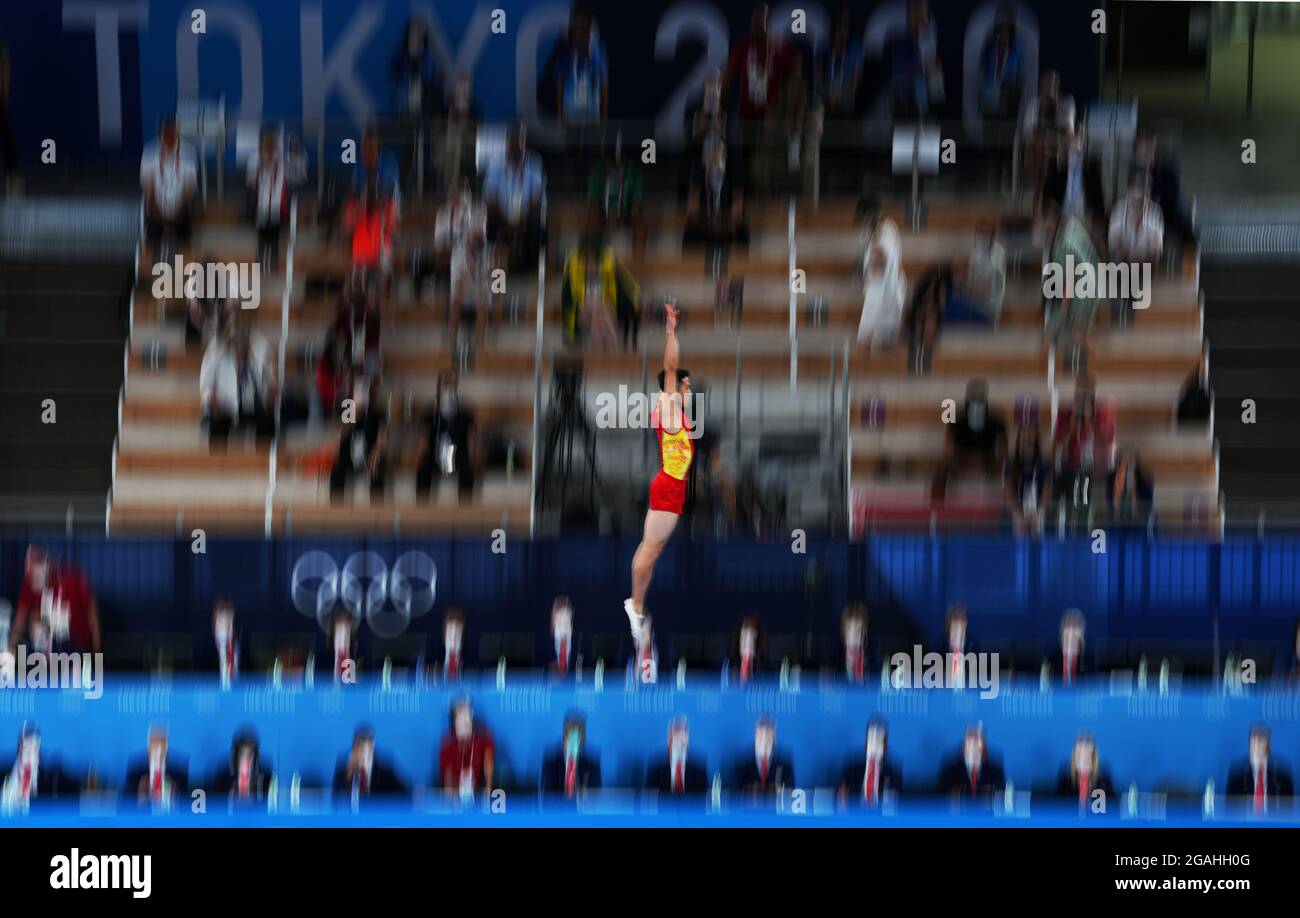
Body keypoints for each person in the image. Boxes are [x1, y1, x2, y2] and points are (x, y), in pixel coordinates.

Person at [624, 303, 693, 638]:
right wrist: (671, 329)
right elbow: (671, 364)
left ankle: (637, 605)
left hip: (671, 488)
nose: (690, 390)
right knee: (649, 551)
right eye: (687, 385)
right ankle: (634, 606)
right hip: (667, 487)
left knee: (652, 552)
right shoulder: (667, 405)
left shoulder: (677, 414)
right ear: (675, 387)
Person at [199, 316, 278, 451]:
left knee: (268, 421)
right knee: (216, 422)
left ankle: (264, 460)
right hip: (225, 406)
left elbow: (271, 383)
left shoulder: (260, 351)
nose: (239, 340)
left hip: (253, 405)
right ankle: (217, 463)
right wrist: (211, 399)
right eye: (235, 337)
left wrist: (271, 391)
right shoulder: (215, 354)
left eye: (243, 336)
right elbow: (205, 385)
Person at [12, 545, 101, 655]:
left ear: (46, 564)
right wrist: (11, 647)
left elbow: (91, 612)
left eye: (34, 571)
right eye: (28, 572)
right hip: (47, 649)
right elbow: (20, 619)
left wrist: (96, 647)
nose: (31, 577)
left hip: (76, 642)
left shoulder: (73, 577)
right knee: (35, 617)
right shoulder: (30, 583)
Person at [560, 229, 639, 350]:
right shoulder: (573, 265)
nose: (588, 263)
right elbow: (567, 299)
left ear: (598, 258)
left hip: (606, 309)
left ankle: (607, 345)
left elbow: (626, 290)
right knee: (594, 314)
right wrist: (575, 317)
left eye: (591, 259)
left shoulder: (609, 264)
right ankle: (598, 346)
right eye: (585, 259)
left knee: (603, 314)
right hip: (583, 311)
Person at [931, 379, 1007, 504]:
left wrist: (998, 460)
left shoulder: (996, 416)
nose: (976, 398)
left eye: (980, 395)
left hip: (987, 457)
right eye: (973, 394)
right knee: (940, 468)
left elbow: (1004, 445)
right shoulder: (956, 415)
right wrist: (957, 460)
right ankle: (936, 507)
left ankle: (1008, 505)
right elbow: (948, 443)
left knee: (1008, 469)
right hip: (962, 457)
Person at [433, 175, 489, 342]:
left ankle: (481, 337)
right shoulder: (444, 213)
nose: (461, 194)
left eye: (464, 190)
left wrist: (473, 240)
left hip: (479, 259)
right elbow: (439, 244)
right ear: (452, 194)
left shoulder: (478, 209)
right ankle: (452, 334)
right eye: (458, 191)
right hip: (458, 257)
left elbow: (482, 238)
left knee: (485, 296)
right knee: (456, 294)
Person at [483, 123, 546, 270]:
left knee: (537, 229)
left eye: (519, 143)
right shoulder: (495, 164)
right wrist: (506, 226)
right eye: (512, 144)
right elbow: (490, 202)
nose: (515, 148)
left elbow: (536, 203)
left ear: (524, 144)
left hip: (526, 219)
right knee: (489, 229)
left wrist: (520, 225)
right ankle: (497, 276)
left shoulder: (534, 162)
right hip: (500, 219)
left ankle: (528, 270)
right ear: (506, 144)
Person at [245, 124, 306, 270]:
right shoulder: (254, 158)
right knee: (262, 240)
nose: (269, 145)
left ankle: (273, 267)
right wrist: (262, 166)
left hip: (279, 205)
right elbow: (250, 182)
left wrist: (296, 155)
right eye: (266, 141)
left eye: (272, 142)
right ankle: (259, 267)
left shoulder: (284, 159)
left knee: (275, 241)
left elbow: (300, 178)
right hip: (262, 205)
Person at [415, 370, 479, 506]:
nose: (448, 388)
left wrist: (473, 459)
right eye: (445, 384)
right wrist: (420, 458)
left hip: (458, 456)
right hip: (436, 456)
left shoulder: (467, 415)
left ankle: (465, 511)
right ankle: (421, 511)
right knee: (423, 471)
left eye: (452, 384)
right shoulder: (429, 415)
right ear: (438, 388)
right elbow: (423, 442)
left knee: (467, 471)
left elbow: (471, 441)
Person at [140, 116, 197, 261]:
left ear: (178, 133)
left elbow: (189, 191)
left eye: (173, 134)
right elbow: (148, 190)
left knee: (185, 240)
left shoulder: (189, 151)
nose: (169, 139)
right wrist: (160, 217)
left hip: (181, 211)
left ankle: (186, 274)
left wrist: (176, 217)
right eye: (166, 134)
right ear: (160, 134)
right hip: (156, 210)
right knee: (152, 240)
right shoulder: (149, 151)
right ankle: (151, 273)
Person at [683, 137, 750, 254]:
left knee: (742, 232)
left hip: (727, 224)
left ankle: (739, 268)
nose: (714, 154)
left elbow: (737, 210)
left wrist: (721, 227)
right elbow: (692, 208)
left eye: (718, 150)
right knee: (690, 232)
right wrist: (709, 225)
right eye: (710, 150)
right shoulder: (698, 172)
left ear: (724, 155)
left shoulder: (734, 172)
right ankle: (690, 268)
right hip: (704, 223)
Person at [1131, 127, 1195, 247]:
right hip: (1148, 218)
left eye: (1146, 146)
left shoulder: (1167, 164)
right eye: (1140, 149)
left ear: (1152, 146)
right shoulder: (1137, 169)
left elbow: (1170, 197)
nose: (1143, 152)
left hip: (1169, 215)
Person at [330, 377, 388, 505]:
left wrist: (375, 454)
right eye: (358, 391)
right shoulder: (346, 411)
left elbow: (382, 440)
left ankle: (378, 511)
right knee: (336, 472)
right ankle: (335, 511)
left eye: (364, 392)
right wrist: (354, 416)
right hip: (349, 456)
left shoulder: (378, 414)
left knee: (378, 469)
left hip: (369, 455)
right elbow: (339, 437)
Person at [1042, 127, 1106, 235]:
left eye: (1077, 141)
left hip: (1084, 216)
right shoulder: (1056, 169)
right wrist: (1052, 216)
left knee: (1078, 240)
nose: (1074, 145)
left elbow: (1099, 202)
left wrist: (1097, 221)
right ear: (1065, 146)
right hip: (1062, 215)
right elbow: (1047, 197)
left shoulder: (1092, 170)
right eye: (1070, 141)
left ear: (1084, 145)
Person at [884, 0, 943, 119]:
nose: (923, 21)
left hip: (924, 107)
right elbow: (900, 71)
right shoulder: (897, 41)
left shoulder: (927, 43)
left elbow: (935, 81)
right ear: (910, 17)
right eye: (919, 16)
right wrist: (922, 65)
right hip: (904, 104)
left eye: (925, 16)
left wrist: (934, 72)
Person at [587, 143, 646, 256]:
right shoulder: (598, 171)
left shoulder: (633, 171)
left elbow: (637, 206)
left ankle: (637, 266)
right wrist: (604, 218)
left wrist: (624, 217)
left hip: (627, 214)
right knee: (591, 222)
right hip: (603, 214)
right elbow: (593, 205)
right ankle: (596, 261)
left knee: (641, 226)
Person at [554, 11, 607, 128]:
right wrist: (559, 114)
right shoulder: (564, 55)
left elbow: (603, 85)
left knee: (593, 143)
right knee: (572, 142)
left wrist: (604, 117)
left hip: (592, 109)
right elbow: (560, 85)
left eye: (585, 30)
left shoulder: (598, 53)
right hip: (571, 109)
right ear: (572, 33)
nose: (582, 35)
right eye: (578, 30)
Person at [0, 724, 78, 803]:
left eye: (34, 747)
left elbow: (78, 789)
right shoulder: (3, 774)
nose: (29, 752)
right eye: (26, 747)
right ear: (19, 749)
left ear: (38, 751)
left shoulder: (54, 778)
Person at [1226, 725, 1294, 814]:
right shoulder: (1238, 773)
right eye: (1253, 740)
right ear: (1249, 744)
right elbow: (1230, 808)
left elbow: (1289, 810)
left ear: (1268, 744)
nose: (1256, 744)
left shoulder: (1282, 774)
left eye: (1261, 740)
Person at [858, 230, 909, 348]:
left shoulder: (897, 284)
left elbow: (899, 324)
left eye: (878, 255)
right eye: (873, 254)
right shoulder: (871, 286)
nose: (874, 259)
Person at [438, 698, 495, 799]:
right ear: (454, 721)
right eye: (461, 717)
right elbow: (448, 781)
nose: (465, 721)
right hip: (456, 796)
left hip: (479, 794)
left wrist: (487, 794)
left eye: (468, 716)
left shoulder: (484, 738)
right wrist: (452, 801)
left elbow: (488, 766)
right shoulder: (447, 745)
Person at [840, 718, 901, 808]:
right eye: (871, 740)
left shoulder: (893, 776)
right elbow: (841, 802)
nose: (874, 745)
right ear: (866, 743)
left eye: (878, 740)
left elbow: (893, 805)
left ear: (885, 746)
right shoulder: (851, 771)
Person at [1004, 423, 1052, 537]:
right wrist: (1017, 514)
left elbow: (1047, 493)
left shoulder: (1044, 465)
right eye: (1023, 441)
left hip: (1037, 510)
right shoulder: (1011, 465)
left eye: (1030, 442)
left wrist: (1038, 513)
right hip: (1017, 512)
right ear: (1018, 444)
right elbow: (1008, 493)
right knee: (1018, 529)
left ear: (1036, 444)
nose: (1026, 445)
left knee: (1037, 529)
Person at [333, 725, 408, 798]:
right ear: (354, 746)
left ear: (373, 746)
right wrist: (350, 775)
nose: (364, 749)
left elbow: (404, 792)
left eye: (368, 743)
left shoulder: (385, 768)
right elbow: (337, 796)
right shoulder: (343, 768)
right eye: (359, 744)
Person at [816, 8, 864, 119]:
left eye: (845, 27)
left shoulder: (855, 47)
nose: (842, 31)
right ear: (833, 28)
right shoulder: (823, 47)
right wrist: (828, 95)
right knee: (818, 105)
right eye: (839, 26)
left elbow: (856, 80)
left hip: (846, 95)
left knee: (848, 105)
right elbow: (818, 79)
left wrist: (842, 94)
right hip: (825, 95)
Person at [539, 711, 601, 799]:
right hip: (556, 809)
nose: (575, 736)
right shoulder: (552, 758)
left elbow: (596, 795)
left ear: (584, 736)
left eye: (580, 731)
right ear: (564, 732)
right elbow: (546, 793)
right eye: (572, 730)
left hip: (583, 808)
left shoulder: (591, 760)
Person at [732, 715, 793, 802]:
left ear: (774, 738)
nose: (764, 739)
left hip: (776, 812)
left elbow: (790, 791)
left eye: (768, 735)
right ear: (755, 737)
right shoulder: (742, 763)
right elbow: (735, 793)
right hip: (748, 813)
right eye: (761, 735)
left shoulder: (784, 763)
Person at [937, 723, 1004, 800]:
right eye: (970, 736)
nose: (973, 741)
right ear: (964, 741)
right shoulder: (950, 768)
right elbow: (940, 796)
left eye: (977, 737)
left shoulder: (995, 769)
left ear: (984, 742)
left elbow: (1000, 795)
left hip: (985, 811)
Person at [956, 222, 1006, 324]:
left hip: (990, 302)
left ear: (993, 235)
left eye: (986, 234)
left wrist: (970, 285)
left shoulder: (999, 252)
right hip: (975, 298)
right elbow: (970, 278)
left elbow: (989, 285)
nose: (982, 237)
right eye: (980, 233)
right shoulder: (974, 252)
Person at [124, 726, 188, 805]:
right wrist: (139, 794)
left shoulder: (179, 768)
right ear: (149, 744)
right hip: (143, 813)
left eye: (161, 740)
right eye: (154, 740)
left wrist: (175, 794)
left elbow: (186, 797)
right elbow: (127, 796)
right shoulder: (136, 768)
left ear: (166, 745)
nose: (158, 745)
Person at [390, 16, 440, 117]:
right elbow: (396, 91)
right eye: (413, 35)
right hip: (402, 115)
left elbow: (437, 95)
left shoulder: (431, 64)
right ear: (407, 37)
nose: (417, 40)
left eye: (420, 36)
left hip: (427, 116)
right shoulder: (398, 63)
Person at [645, 716, 708, 796]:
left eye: (683, 735)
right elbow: (649, 800)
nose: (679, 739)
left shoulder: (699, 768)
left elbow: (703, 799)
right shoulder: (656, 767)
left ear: (687, 740)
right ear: (669, 739)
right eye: (676, 734)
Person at [1056, 732, 1116, 810]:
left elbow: (1112, 803)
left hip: (1097, 818)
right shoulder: (1065, 772)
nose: (1084, 745)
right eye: (1080, 741)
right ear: (1075, 747)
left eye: (1088, 741)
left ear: (1094, 748)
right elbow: (1058, 803)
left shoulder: (1103, 773)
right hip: (1070, 817)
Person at [208, 728, 271, 802]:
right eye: (242, 753)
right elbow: (216, 803)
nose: (246, 758)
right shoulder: (223, 778)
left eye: (250, 754)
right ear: (235, 755)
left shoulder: (265, 777)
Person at [204, 597, 246, 685]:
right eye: (222, 619)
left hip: (238, 690)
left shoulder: (240, 641)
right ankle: (226, 677)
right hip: (221, 635)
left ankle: (231, 675)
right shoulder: (204, 643)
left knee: (233, 653)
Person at [1106, 448, 1154, 524]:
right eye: (1125, 463)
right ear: (1119, 464)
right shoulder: (1111, 478)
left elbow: (1147, 503)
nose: (1128, 466)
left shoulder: (1144, 479)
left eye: (1131, 462)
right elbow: (1109, 500)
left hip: (1138, 517)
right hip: (1116, 516)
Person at [1053, 609, 1090, 685]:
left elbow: (1091, 682)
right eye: (1069, 625)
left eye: (1075, 626)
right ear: (1062, 629)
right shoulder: (1054, 654)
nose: (1071, 630)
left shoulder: (1088, 656)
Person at [728, 615, 767, 683]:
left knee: (749, 663)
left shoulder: (752, 632)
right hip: (745, 649)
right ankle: (744, 678)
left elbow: (753, 641)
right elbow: (743, 641)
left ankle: (747, 677)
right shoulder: (745, 631)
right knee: (745, 663)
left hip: (749, 649)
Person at [839, 602, 871, 684]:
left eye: (858, 631)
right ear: (843, 632)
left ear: (864, 634)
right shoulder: (834, 660)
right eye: (850, 630)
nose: (854, 636)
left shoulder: (872, 661)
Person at [548, 597, 577, 677]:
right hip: (561, 632)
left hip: (566, 632)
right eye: (559, 624)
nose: (563, 629)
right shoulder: (557, 612)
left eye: (566, 624)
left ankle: (563, 671)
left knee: (566, 654)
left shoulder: (568, 611)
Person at [437, 609, 467, 679]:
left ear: (462, 637)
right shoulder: (434, 658)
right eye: (450, 632)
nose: (453, 638)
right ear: (444, 636)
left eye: (457, 633)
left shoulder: (470, 661)